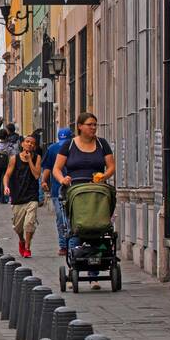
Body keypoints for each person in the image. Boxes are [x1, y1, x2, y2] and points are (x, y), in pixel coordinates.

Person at [52, 112, 116, 288]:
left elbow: (111, 166)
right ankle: (75, 269)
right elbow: (57, 168)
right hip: (75, 191)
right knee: (76, 230)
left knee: (96, 228)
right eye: (90, 124)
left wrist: (104, 175)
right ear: (80, 126)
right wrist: (62, 180)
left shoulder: (102, 144)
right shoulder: (69, 145)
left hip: (96, 191)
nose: (93, 128)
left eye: (95, 125)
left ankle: (94, 274)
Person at [3, 133, 42, 257]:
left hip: (32, 196)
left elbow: (36, 175)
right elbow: (7, 175)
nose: (30, 144)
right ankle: (21, 240)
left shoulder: (37, 158)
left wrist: (30, 160)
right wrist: (6, 186)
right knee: (18, 228)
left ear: (34, 146)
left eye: (32, 143)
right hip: (18, 196)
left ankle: (27, 247)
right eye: (27, 141)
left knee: (29, 223)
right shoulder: (14, 158)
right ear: (22, 144)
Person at [42, 127, 73, 256]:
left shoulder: (76, 147)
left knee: (69, 218)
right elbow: (48, 167)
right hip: (58, 189)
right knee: (61, 218)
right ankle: (63, 245)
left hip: (73, 188)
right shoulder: (52, 149)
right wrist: (44, 181)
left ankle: (72, 245)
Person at [0, 130, 17, 205]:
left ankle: (0, 197)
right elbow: (14, 154)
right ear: (6, 136)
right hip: (7, 165)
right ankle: (6, 197)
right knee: (7, 180)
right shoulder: (9, 146)